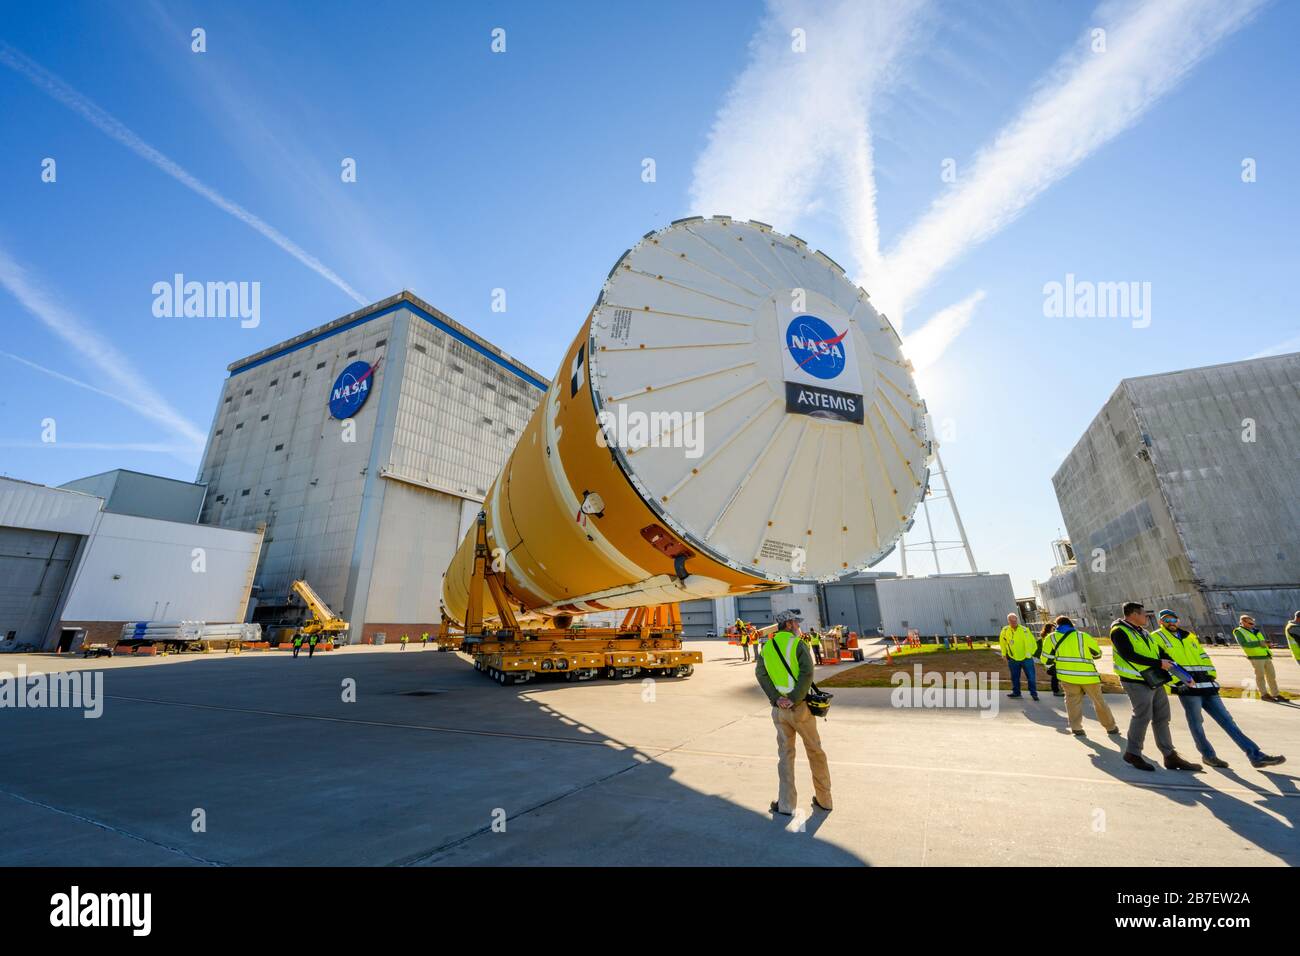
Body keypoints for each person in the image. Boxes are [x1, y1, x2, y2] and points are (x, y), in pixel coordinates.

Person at [1153, 608, 1285, 769]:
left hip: (1208, 686)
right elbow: (1162, 664)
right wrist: (1179, 682)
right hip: (1188, 689)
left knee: (1228, 722)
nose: (1171, 623)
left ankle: (1255, 755)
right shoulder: (1156, 638)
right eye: (1167, 620)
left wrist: (1211, 674)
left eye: (1174, 620)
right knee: (1196, 723)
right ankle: (1208, 756)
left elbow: (1203, 656)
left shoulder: (1190, 637)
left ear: (1178, 621)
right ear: (1161, 622)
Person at [756, 608, 832, 816]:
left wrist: (776, 698)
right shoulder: (797, 644)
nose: (799, 627)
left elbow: (761, 674)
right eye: (796, 623)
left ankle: (786, 805)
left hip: (779, 711)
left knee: (785, 755)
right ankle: (824, 800)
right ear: (789, 624)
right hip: (800, 708)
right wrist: (793, 698)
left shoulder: (767, 646)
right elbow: (807, 673)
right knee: (815, 751)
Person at [1111, 601, 1201, 772]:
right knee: (1142, 716)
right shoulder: (1119, 631)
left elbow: (1161, 653)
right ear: (1133, 614)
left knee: (1162, 717)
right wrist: (1159, 663)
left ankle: (1170, 755)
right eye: (1144, 614)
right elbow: (1128, 655)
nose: (1146, 617)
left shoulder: (1143, 632)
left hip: (1154, 679)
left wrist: (1182, 674)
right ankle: (1133, 753)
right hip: (1135, 680)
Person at [1042, 615, 1120, 737]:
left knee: (1072, 702)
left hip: (1067, 677)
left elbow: (1046, 659)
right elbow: (1098, 654)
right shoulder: (1083, 636)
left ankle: (1076, 728)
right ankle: (1111, 727)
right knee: (1098, 701)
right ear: (1071, 625)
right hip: (1089, 676)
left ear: (1057, 626)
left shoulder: (1050, 638)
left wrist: (1057, 660)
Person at [1234, 614, 1281, 701]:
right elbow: (1244, 644)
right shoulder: (1239, 631)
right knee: (1260, 676)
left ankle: (1276, 694)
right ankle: (1264, 694)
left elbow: (1261, 642)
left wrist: (1268, 645)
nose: (1253, 625)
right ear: (1243, 622)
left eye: (1253, 623)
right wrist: (1261, 643)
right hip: (1255, 657)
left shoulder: (1255, 630)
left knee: (1271, 676)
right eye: (1250, 623)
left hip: (1266, 655)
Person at [998, 613, 1039, 701]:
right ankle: (1016, 693)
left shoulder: (1025, 630)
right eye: (1011, 620)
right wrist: (1004, 654)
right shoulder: (1005, 631)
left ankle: (1034, 694)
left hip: (1026, 658)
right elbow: (1003, 643)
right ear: (1008, 621)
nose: (1013, 622)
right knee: (1014, 676)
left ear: (1017, 620)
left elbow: (1033, 643)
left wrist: (1030, 653)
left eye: (1015, 620)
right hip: (1013, 659)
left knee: (1031, 677)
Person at [1037, 621, 1064, 697]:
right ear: (1049, 629)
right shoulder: (1046, 638)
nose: (1055, 629)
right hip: (1049, 661)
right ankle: (1055, 691)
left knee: (1057, 675)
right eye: (1053, 628)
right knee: (1055, 674)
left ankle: (1060, 689)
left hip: (1054, 660)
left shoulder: (1051, 637)